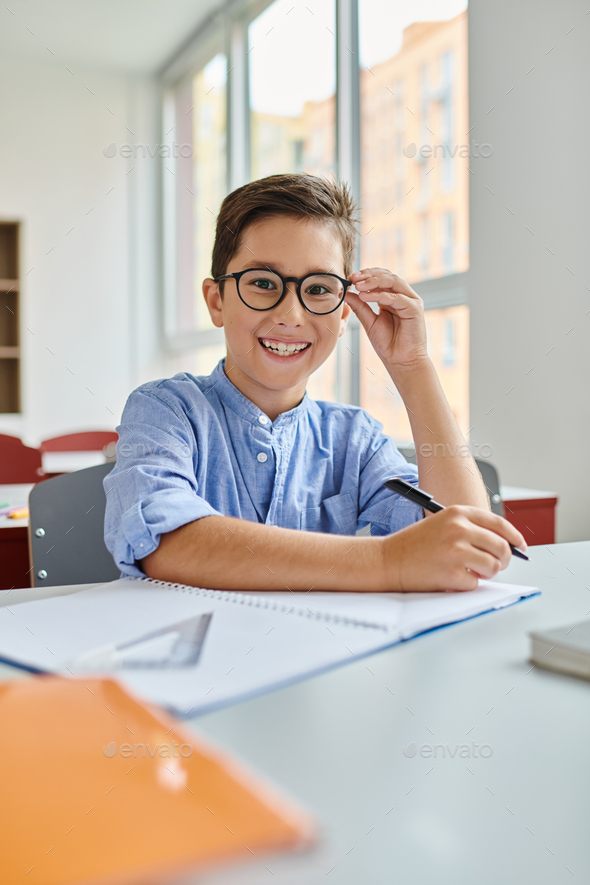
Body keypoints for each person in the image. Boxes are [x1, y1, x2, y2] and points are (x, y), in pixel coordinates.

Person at [104, 173, 525, 592]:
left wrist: (413, 368)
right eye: (264, 283)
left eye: (319, 288)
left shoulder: (353, 439)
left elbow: (465, 546)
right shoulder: (165, 409)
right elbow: (168, 542)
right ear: (217, 301)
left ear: (344, 315)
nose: (291, 314)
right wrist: (388, 561)